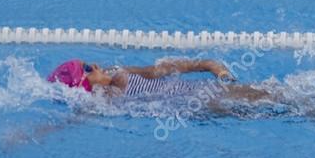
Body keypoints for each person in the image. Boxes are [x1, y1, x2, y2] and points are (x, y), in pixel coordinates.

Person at [46, 57, 274, 103]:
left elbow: (174, 67)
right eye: (87, 68)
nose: (95, 65)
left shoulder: (121, 73)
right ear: (84, 84)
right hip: (202, 108)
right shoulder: (103, 103)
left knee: (274, 96)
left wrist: (217, 70)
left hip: (207, 93)